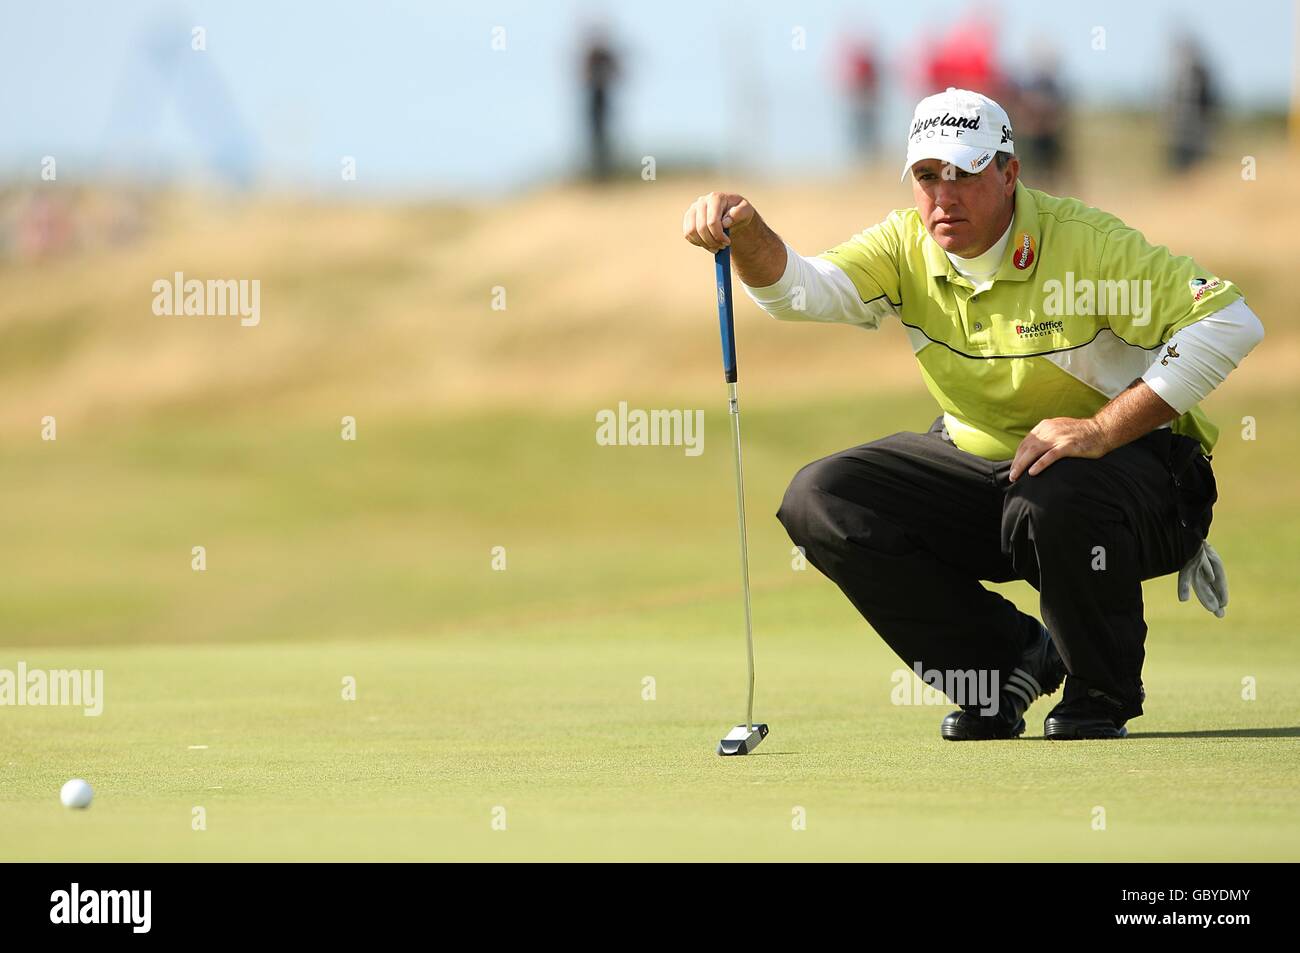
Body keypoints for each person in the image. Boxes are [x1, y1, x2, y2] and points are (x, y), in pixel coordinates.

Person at [680, 88, 1263, 741]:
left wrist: (1102, 428)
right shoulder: (905, 246)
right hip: (997, 480)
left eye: (964, 173)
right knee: (822, 497)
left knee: (1056, 485)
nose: (943, 195)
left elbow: (1230, 319)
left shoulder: (1086, 245)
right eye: (928, 177)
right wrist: (751, 233)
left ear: (1010, 174)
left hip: (1141, 491)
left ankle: (1100, 689)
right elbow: (798, 292)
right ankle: (1002, 664)